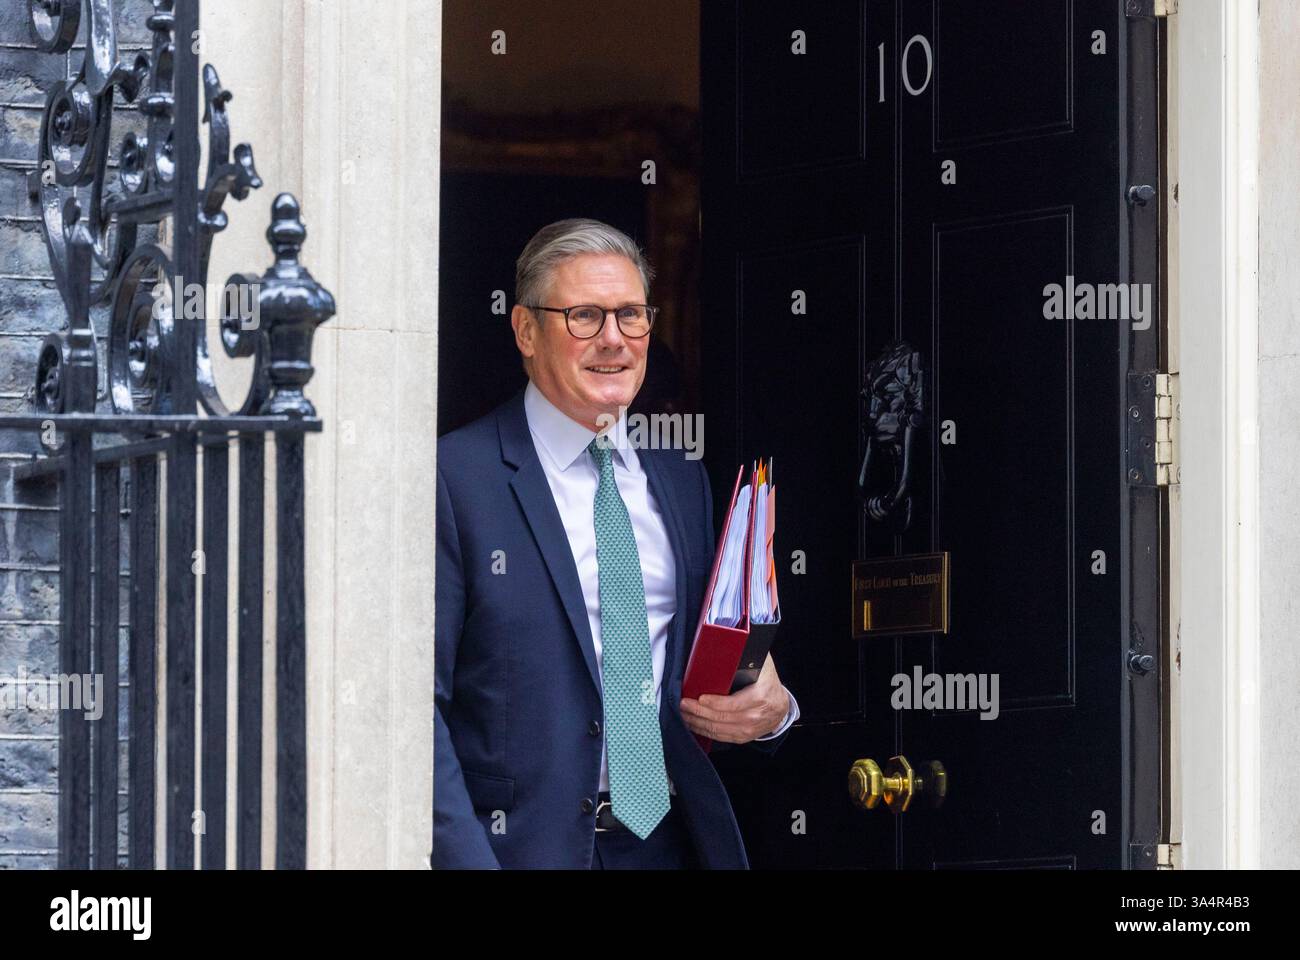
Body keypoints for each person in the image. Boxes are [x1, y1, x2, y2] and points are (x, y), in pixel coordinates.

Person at [433, 218, 800, 869]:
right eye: (584, 316)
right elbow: (415, 710)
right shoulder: (455, 478)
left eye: (631, 316)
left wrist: (769, 708)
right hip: (522, 853)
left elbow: (700, 663)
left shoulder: (681, 476)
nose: (614, 340)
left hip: (668, 844)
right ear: (524, 329)